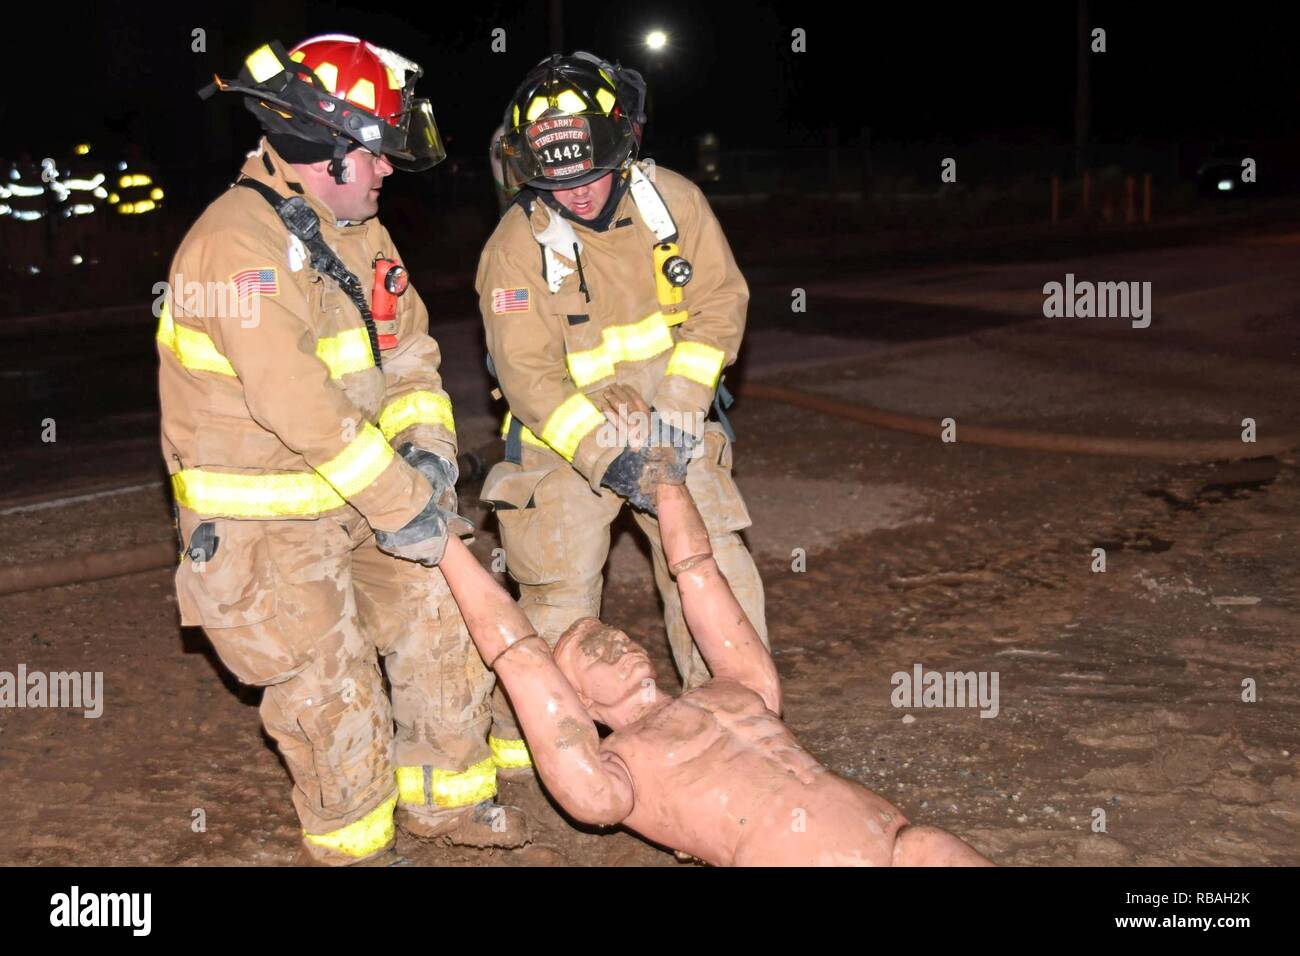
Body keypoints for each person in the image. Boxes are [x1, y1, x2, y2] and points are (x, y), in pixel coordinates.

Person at [158, 35, 529, 865]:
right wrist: (408, 508)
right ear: (323, 154)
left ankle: (448, 801)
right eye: (374, 153)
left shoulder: (360, 234)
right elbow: (302, 408)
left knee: (446, 625)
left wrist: (429, 452)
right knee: (333, 692)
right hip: (271, 528)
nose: (388, 171)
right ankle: (356, 851)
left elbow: (409, 355)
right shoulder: (237, 249)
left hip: (367, 493)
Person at [439, 387, 994, 866]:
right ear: (582, 705)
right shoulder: (615, 777)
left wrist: (660, 466)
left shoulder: (741, 691)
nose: (622, 645)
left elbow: (696, 569)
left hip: (899, 844)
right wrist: (443, 544)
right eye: (602, 651)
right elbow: (519, 656)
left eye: (619, 637)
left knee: (926, 844)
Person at [475, 51, 766, 776]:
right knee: (560, 580)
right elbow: (527, 375)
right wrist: (609, 457)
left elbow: (721, 305)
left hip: (670, 410)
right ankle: (533, 745)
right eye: (556, 181)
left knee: (711, 567)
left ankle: (736, 727)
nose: (573, 194)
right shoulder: (516, 247)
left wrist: (678, 411)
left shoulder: (676, 204)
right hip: (564, 428)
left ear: (622, 145)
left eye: (589, 175)